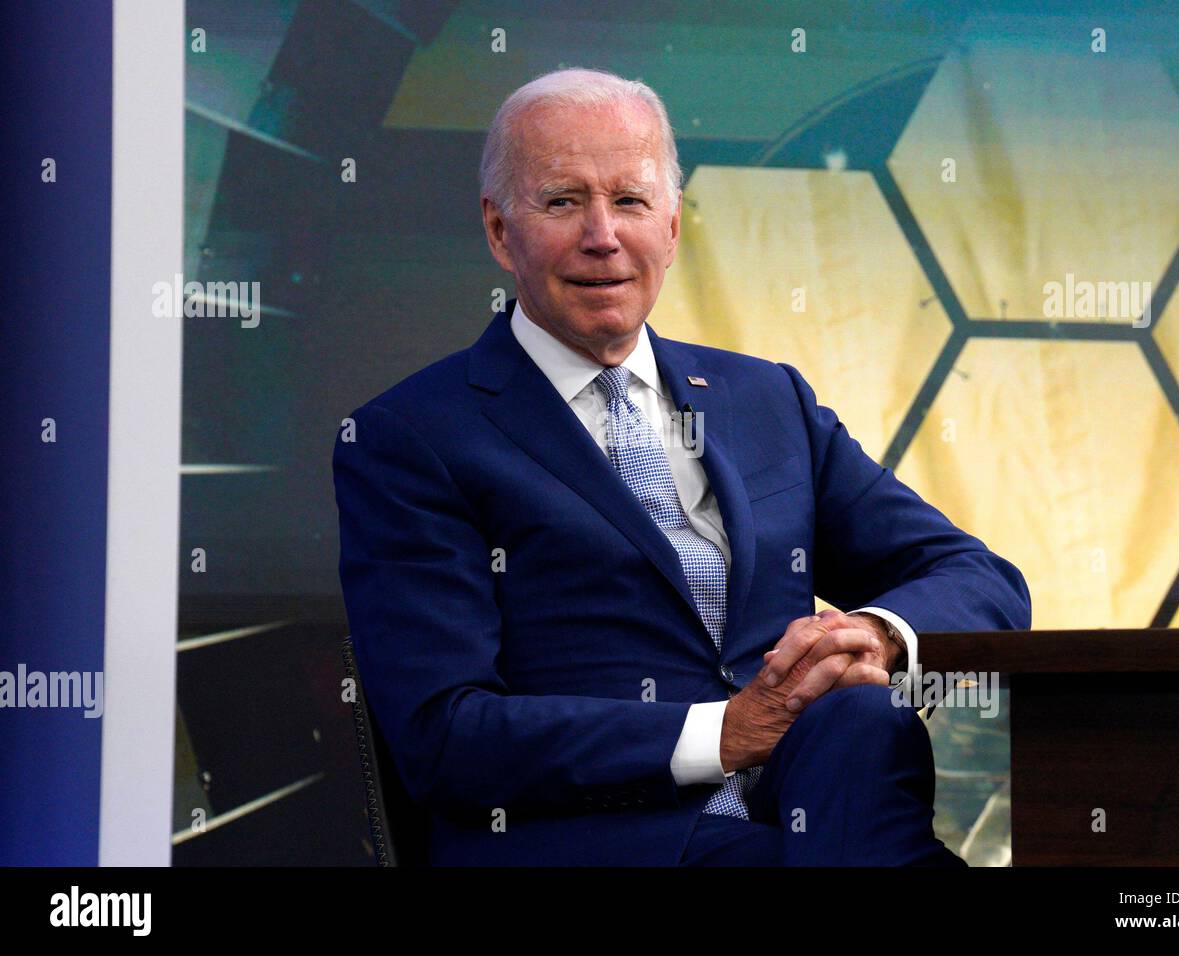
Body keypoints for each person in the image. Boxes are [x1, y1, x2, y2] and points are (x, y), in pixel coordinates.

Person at [333, 67, 1030, 866]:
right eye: (563, 202)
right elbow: (444, 736)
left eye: (630, 201)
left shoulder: (768, 399)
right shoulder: (410, 438)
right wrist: (723, 733)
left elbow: (978, 578)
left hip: (819, 822)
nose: (604, 235)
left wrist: (876, 634)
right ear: (499, 231)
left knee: (862, 718)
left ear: (671, 224)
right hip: (597, 842)